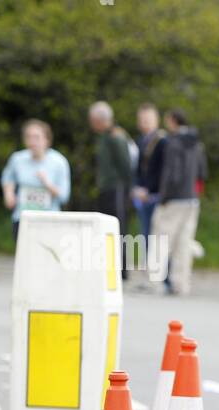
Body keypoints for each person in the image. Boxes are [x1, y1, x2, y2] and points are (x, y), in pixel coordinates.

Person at [151, 109, 206, 295]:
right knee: (183, 242)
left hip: (174, 198)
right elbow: (202, 173)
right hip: (191, 198)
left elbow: (171, 174)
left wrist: (164, 197)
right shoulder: (197, 143)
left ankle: (155, 282)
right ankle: (181, 284)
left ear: (173, 121)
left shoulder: (173, 143)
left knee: (161, 240)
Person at [0, 119, 70, 242]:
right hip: (22, 218)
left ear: (47, 140)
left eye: (36, 137)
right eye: (28, 137)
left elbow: (64, 196)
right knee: (24, 258)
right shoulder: (17, 159)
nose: (32, 142)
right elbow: (8, 177)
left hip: (49, 219)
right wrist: (9, 194)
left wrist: (47, 184)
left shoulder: (59, 162)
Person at [89, 101, 133, 282]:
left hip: (117, 189)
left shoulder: (116, 136)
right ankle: (109, 266)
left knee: (118, 228)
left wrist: (127, 189)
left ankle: (122, 271)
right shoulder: (105, 137)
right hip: (107, 189)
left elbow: (125, 165)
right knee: (106, 228)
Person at [132, 104, 165, 262]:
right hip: (142, 195)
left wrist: (149, 190)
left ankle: (159, 275)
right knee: (145, 234)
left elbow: (162, 171)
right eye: (141, 120)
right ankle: (150, 272)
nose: (144, 123)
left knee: (157, 236)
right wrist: (137, 188)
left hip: (155, 196)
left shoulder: (162, 142)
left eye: (147, 120)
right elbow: (139, 169)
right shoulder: (140, 141)